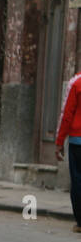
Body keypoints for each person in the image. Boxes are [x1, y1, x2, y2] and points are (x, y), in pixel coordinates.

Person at [56, 71, 81, 232]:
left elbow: (67, 114)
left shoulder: (76, 83)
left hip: (77, 141)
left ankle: (80, 222)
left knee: (78, 180)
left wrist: (59, 142)